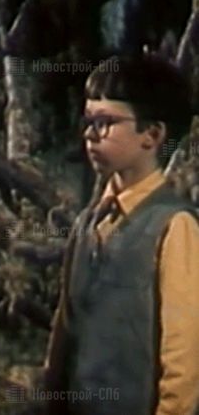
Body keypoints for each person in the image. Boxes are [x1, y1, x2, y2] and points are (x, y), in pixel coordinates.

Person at [45, 55, 199, 414]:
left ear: (153, 134)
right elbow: (64, 333)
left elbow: (184, 358)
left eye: (105, 123)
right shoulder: (87, 224)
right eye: (88, 122)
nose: (90, 135)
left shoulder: (174, 227)